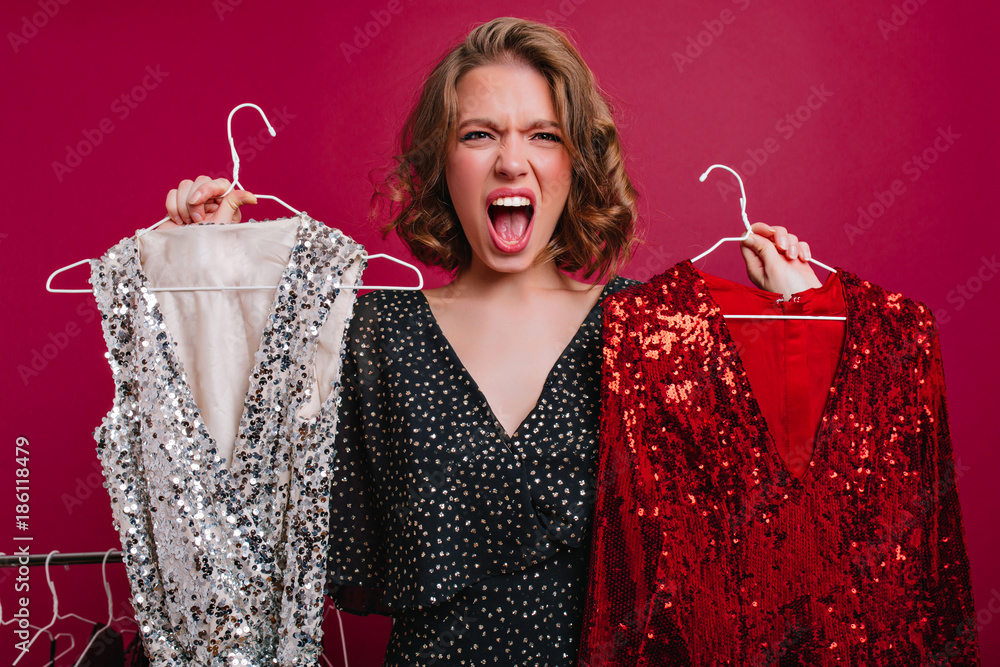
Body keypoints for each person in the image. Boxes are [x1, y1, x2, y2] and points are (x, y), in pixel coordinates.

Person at [162, 16, 821, 666]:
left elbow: (781, 546)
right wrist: (201, 276)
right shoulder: (375, 337)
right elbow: (243, 506)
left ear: (577, 161)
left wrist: (813, 319)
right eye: (479, 134)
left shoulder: (654, 330)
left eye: (543, 135)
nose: (511, 161)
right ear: (444, 162)